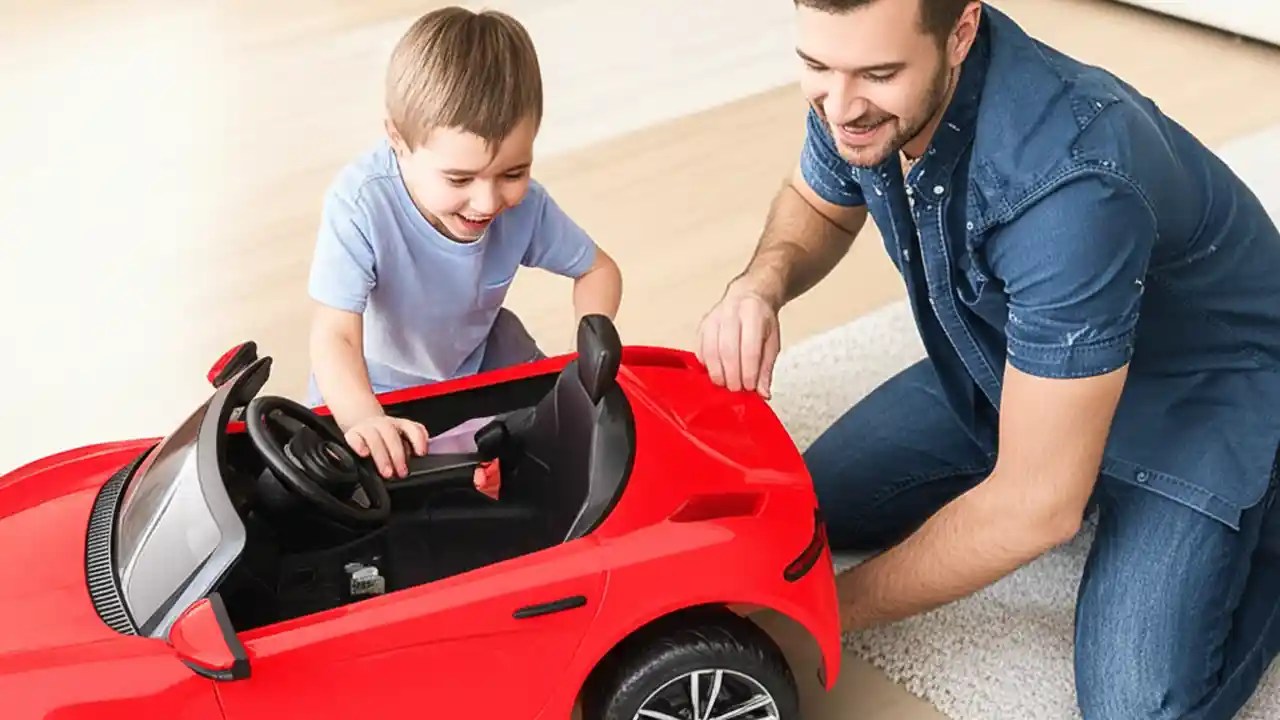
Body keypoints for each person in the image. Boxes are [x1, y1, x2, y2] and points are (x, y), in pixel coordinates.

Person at [696, 0, 1280, 717]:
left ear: (961, 32)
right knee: (805, 511)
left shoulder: (1071, 187)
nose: (840, 106)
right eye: (816, 67)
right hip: (1017, 361)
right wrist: (760, 284)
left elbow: (1037, 508)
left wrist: (820, 616)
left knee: (1137, 707)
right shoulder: (864, 90)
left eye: (877, 74)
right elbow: (816, 205)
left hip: (1200, 394)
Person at [306, 7, 623, 487]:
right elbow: (334, 336)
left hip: (476, 360)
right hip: (374, 383)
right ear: (397, 139)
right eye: (459, 178)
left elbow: (599, 270)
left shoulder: (526, 206)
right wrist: (362, 418)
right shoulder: (360, 204)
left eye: (513, 173)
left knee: (571, 434)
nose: (488, 200)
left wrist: (590, 349)